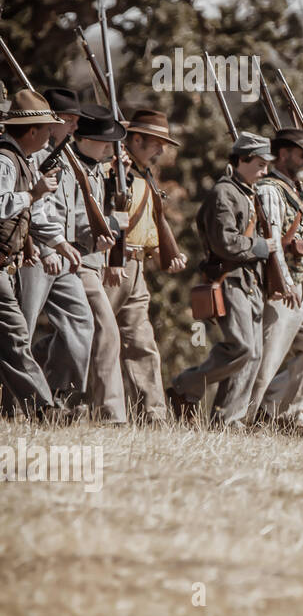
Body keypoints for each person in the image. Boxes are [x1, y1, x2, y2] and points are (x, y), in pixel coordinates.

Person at [170, 133, 274, 428]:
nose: (265, 171)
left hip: (250, 281)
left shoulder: (247, 193)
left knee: (252, 354)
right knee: (241, 347)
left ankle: (228, 418)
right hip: (229, 279)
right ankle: (185, 385)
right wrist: (261, 246)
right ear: (242, 160)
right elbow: (224, 243)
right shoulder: (224, 194)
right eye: (260, 164)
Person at [245, 128, 303, 435]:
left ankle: (280, 414)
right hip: (282, 288)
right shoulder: (270, 189)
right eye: (301, 153)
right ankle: (243, 419)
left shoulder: (295, 189)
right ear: (283, 155)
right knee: (266, 362)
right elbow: (272, 238)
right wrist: (284, 281)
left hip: (302, 286)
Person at [105, 109, 187, 421]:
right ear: (135, 139)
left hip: (136, 266)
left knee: (142, 342)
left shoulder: (145, 175)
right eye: (156, 142)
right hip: (112, 263)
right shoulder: (114, 168)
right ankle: (65, 399)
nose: (162, 150)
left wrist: (160, 250)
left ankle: (154, 414)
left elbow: (149, 221)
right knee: (96, 336)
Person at [18, 87, 94, 411]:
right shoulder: (28, 156)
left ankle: (58, 397)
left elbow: (71, 212)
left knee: (82, 322)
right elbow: (31, 210)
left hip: (62, 255)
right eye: (71, 120)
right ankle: (16, 406)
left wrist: (86, 241)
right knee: (22, 328)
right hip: (35, 254)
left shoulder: (67, 158)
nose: (75, 127)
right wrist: (49, 250)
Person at [0, 89, 66, 420]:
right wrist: (33, 193)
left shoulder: (18, 161)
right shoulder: (4, 161)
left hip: (5, 267)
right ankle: (45, 408)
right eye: (46, 129)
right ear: (32, 131)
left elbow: (27, 214)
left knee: (14, 339)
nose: (49, 135)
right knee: (15, 337)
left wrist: (54, 243)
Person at [70, 104, 129, 423]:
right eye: (104, 139)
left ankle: (64, 399)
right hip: (78, 257)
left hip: (92, 259)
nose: (110, 146)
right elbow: (76, 215)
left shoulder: (97, 169)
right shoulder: (72, 167)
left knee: (73, 335)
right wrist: (101, 231)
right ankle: (110, 411)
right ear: (84, 138)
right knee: (107, 329)